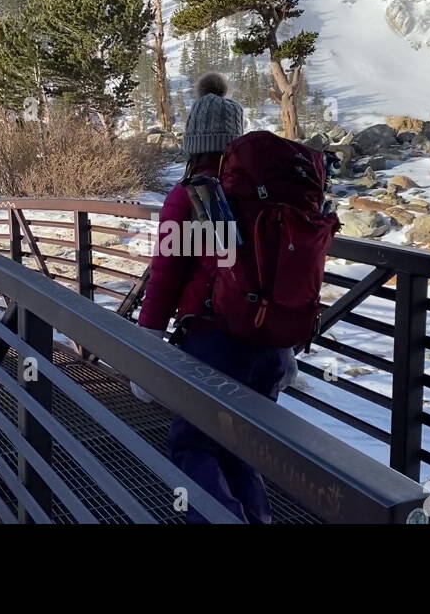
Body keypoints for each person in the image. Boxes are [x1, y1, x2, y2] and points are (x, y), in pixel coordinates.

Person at [135, 72, 296, 524]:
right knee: (242, 446)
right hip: (269, 345)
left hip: (214, 345)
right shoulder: (270, 195)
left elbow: (166, 277)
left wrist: (146, 346)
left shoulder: (192, 196)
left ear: (194, 142)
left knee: (193, 445)